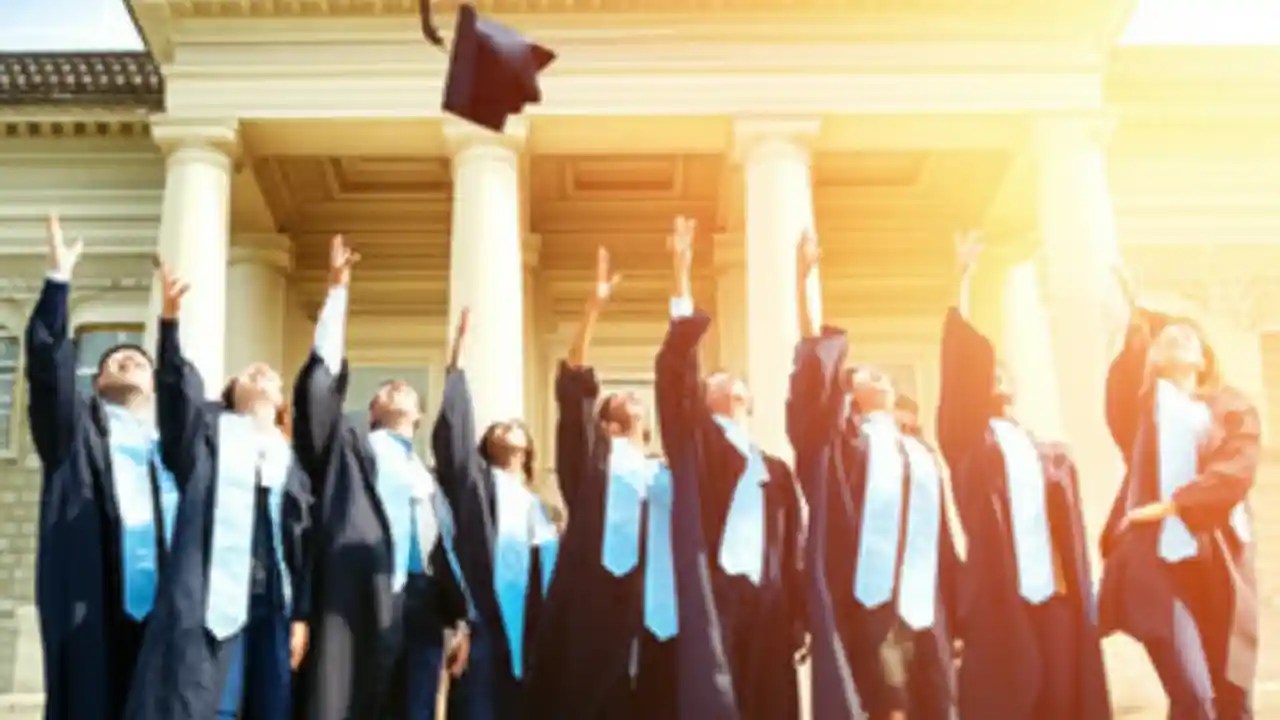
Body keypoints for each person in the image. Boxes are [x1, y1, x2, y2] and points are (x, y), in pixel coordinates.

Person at [292, 236, 471, 720]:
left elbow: (447, 549)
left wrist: (460, 621)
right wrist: (337, 293)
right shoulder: (348, 450)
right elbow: (317, 396)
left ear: (418, 414)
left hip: (422, 603)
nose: (396, 387)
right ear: (369, 412)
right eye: (384, 389)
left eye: (407, 388)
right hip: (356, 593)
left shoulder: (427, 479)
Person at [123, 262, 312, 720]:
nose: (262, 372)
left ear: (283, 401)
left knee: (271, 705)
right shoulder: (208, 435)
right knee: (210, 703)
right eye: (250, 372)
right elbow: (176, 396)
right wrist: (170, 325)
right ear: (231, 393)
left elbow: (305, 543)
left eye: (270, 374)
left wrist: (302, 614)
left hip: (273, 602)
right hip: (210, 594)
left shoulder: (293, 463)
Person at [936, 231, 1110, 720]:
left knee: (1061, 696)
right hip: (1000, 591)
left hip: (1053, 592)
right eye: (989, 373)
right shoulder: (969, 441)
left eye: (1003, 372)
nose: (996, 376)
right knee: (1009, 699)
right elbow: (959, 369)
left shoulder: (1042, 449)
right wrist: (963, 283)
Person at [786, 232, 957, 720]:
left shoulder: (918, 451)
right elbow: (816, 376)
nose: (878, 376)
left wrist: (959, 608)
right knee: (888, 704)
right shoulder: (846, 441)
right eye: (864, 373)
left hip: (925, 600)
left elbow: (940, 532)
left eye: (884, 374)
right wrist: (806, 287)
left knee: (937, 702)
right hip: (870, 599)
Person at [24, 214, 180, 720]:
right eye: (112, 359)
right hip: (93, 597)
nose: (124, 361)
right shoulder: (76, 432)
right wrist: (58, 281)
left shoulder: (171, 446)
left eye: (137, 359)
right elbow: (49, 369)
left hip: (162, 609)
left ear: (155, 385)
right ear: (94, 384)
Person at [654, 215, 806, 720]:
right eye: (717, 381)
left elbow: (793, 546)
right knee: (715, 695)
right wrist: (681, 276)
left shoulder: (776, 471)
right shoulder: (699, 443)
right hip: (713, 586)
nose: (729, 385)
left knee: (768, 701)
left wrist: (799, 612)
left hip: (767, 596)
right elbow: (677, 377)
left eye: (736, 382)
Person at [1098, 267, 1260, 719]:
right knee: (1193, 692)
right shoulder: (1143, 410)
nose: (1176, 338)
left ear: (1205, 359)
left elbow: (1237, 469)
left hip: (1217, 559)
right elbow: (1123, 388)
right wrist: (1136, 320)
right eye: (1165, 337)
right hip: (1155, 566)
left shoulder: (1231, 408)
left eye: (1187, 335)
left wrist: (1174, 504)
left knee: (1230, 694)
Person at [525, 247, 678, 719]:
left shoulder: (665, 474)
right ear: (608, 424)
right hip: (592, 598)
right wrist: (591, 311)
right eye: (621, 398)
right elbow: (573, 392)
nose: (634, 397)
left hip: (655, 603)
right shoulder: (593, 462)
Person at [432, 306, 560, 720]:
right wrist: (457, 361)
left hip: (533, 630)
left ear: (529, 450)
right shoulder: (478, 487)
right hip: (485, 623)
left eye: (514, 425)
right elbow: (454, 443)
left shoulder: (543, 509)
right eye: (498, 426)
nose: (507, 426)